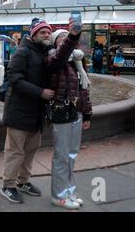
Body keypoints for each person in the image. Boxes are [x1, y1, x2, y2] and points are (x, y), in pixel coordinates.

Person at [0, 17, 81, 204]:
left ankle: (23, 181)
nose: (46, 34)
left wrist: (73, 37)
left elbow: (60, 58)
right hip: (19, 111)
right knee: (15, 150)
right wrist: (40, 92)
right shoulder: (22, 52)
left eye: (48, 32)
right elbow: (15, 80)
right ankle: (8, 185)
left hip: (36, 112)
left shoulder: (45, 53)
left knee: (30, 149)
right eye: (42, 32)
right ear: (33, 34)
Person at [47, 29, 93, 210]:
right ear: (55, 41)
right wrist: (71, 38)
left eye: (68, 36)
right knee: (62, 156)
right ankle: (58, 195)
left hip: (76, 112)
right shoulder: (52, 58)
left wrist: (87, 113)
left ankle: (69, 191)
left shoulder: (77, 61)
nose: (66, 39)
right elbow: (58, 59)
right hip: (61, 112)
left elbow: (84, 90)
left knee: (72, 156)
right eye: (61, 37)